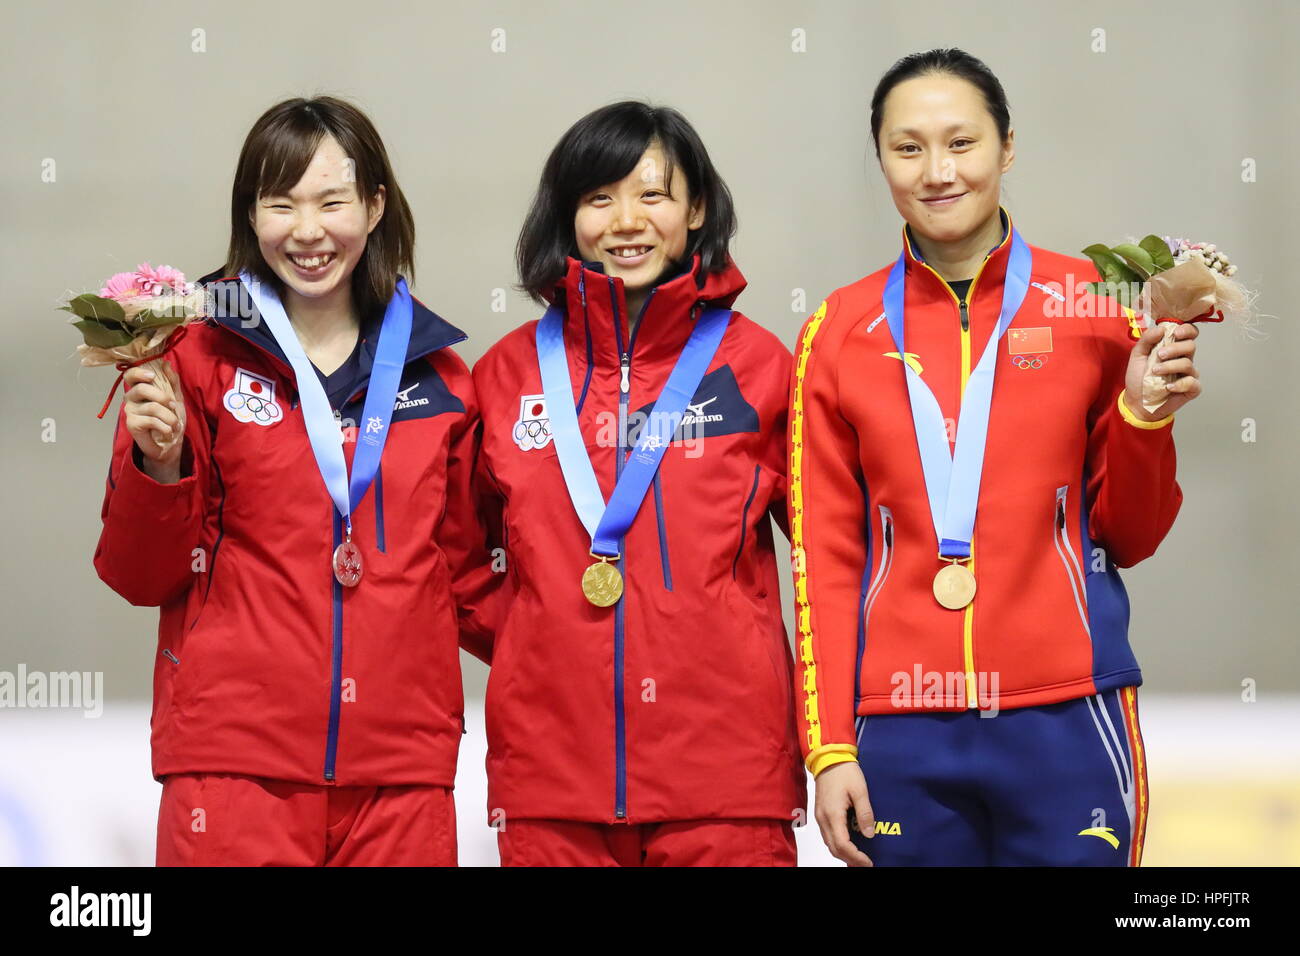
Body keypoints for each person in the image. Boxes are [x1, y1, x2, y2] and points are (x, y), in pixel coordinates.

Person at [790, 49, 1199, 866]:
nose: (938, 172)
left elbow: (1132, 534)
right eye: (908, 148)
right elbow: (824, 557)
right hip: (900, 724)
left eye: (961, 143)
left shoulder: (1093, 306)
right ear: (880, 159)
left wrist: (1144, 418)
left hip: (1066, 714)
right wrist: (830, 747)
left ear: (1007, 148)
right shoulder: (836, 330)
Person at [93, 95, 498, 866]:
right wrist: (163, 464)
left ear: (376, 207)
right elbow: (139, 574)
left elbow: (473, 579)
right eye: (280, 205)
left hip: (401, 779)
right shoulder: (192, 361)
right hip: (234, 769)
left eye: (331, 203)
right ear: (251, 216)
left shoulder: (442, 378)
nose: (306, 232)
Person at [467, 101, 805, 866]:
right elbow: (456, 562)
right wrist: (546, 637)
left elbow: (833, 558)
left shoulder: (760, 367)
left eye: (652, 194)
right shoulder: (506, 375)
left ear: (697, 209)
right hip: (552, 786)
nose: (626, 220)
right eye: (598, 199)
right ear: (567, 217)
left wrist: (714, 645)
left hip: (727, 785)